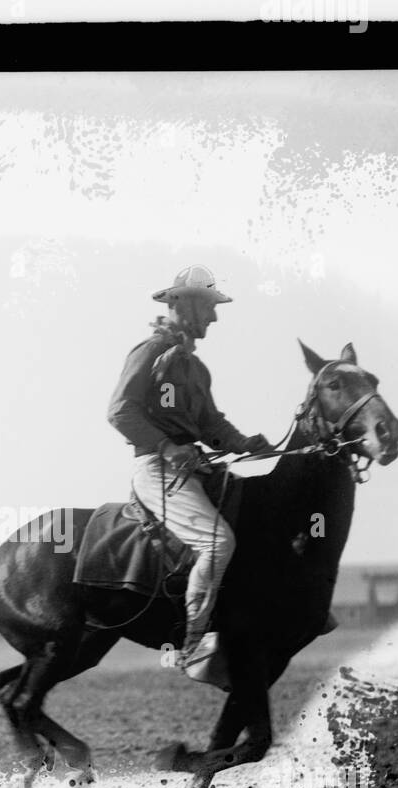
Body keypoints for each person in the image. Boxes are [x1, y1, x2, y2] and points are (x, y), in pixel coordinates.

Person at [107, 264, 270, 680]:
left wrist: (245, 443)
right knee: (218, 543)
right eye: (208, 308)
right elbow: (119, 411)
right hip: (157, 469)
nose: (214, 318)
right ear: (182, 305)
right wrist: (166, 446)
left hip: (192, 469)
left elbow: (212, 425)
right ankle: (194, 647)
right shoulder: (148, 353)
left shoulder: (196, 370)